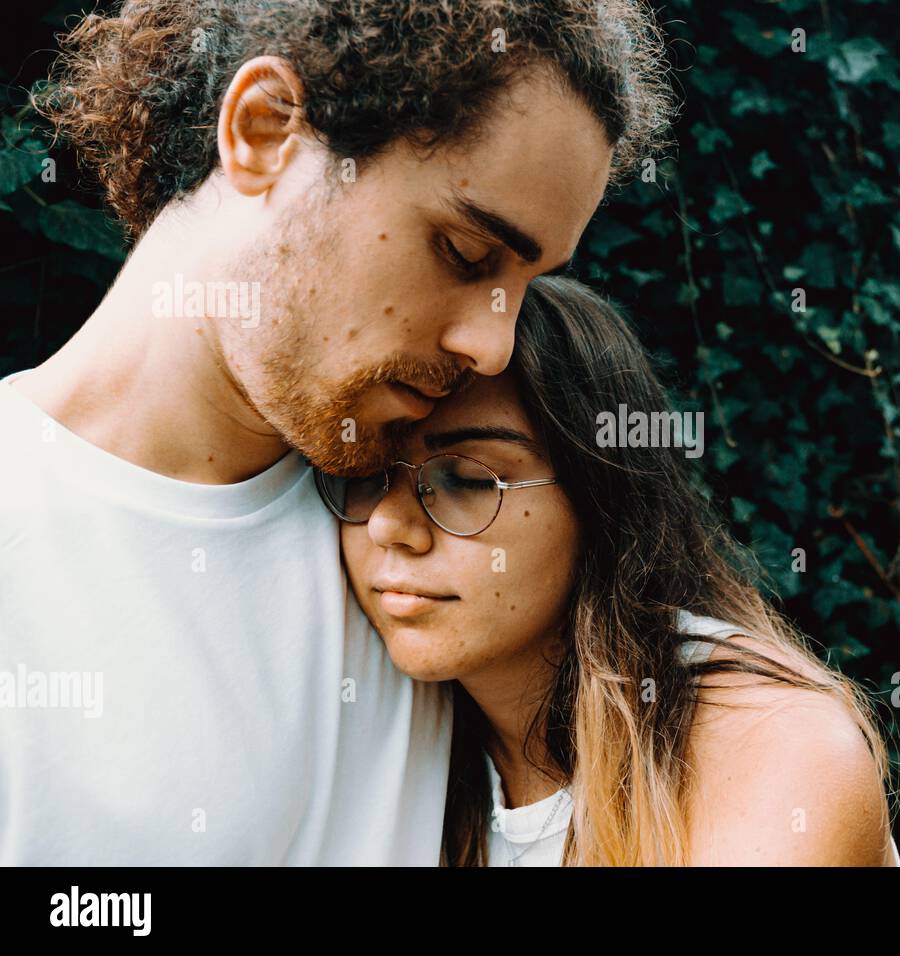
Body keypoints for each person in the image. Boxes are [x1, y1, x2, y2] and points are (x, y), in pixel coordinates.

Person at [0, 0, 674, 864]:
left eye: (527, 282)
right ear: (266, 130)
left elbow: (664, 671)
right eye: (467, 255)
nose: (492, 343)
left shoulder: (443, 529)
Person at [326, 276, 900, 865]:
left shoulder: (771, 745)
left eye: (468, 480)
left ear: (599, 496)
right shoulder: (393, 740)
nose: (388, 526)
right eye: (367, 475)